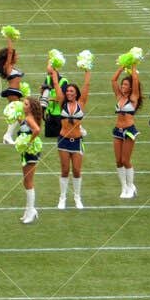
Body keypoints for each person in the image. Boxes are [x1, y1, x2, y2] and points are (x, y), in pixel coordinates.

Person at [55, 64, 94, 208]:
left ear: (76, 93)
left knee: (77, 171)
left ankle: (77, 197)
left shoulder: (81, 103)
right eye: (68, 91)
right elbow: (55, 84)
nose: (69, 93)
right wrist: (54, 70)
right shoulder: (62, 103)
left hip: (77, 141)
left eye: (72, 91)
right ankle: (62, 198)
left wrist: (87, 70)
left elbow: (87, 84)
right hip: (63, 140)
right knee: (65, 170)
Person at [111, 61, 143, 199]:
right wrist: (122, 66)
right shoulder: (119, 96)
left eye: (126, 85)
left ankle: (131, 186)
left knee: (126, 160)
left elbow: (135, 80)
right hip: (117, 130)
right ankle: (124, 187)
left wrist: (133, 66)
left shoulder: (133, 98)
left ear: (131, 88)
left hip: (129, 130)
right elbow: (113, 80)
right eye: (122, 85)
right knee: (118, 161)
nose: (123, 87)